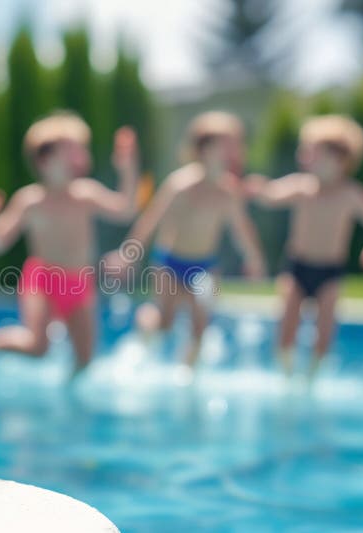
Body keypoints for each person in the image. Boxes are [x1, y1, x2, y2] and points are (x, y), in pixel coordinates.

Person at [0, 111, 140, 373]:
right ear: (44, 159)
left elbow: (126, 209)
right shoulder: (31, 200)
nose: (80, 156)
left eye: (80, 149)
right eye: (71, 150)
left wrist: (128, 170)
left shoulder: (85, 194)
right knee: (37, 346)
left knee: (84, 360)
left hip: (79, 282)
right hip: (42, 280)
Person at [105, 111, 265, 367]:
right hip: (170, 263)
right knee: (165, 323)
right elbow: (151, 221)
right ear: (202, 148)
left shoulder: (228, 191)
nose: (232, 151)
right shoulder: (180, 185)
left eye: (234, 145)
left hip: (205, 266)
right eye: (225, 145)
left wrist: (253, 257)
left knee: (201, 325)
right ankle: (146, 322)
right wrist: (127, 254)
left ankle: (187, 373)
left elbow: (242, 229)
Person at [244, 115, 363, 379]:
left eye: (313, 152)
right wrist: (255, 189)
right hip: (297, 267)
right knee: (287, 328)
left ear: (340, 159)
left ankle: (312, 378)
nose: (304, 156)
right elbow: (271, 195)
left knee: (324, 336)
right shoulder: (302, 187)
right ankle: (287, 374)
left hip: (330, 272)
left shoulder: (350, 193)